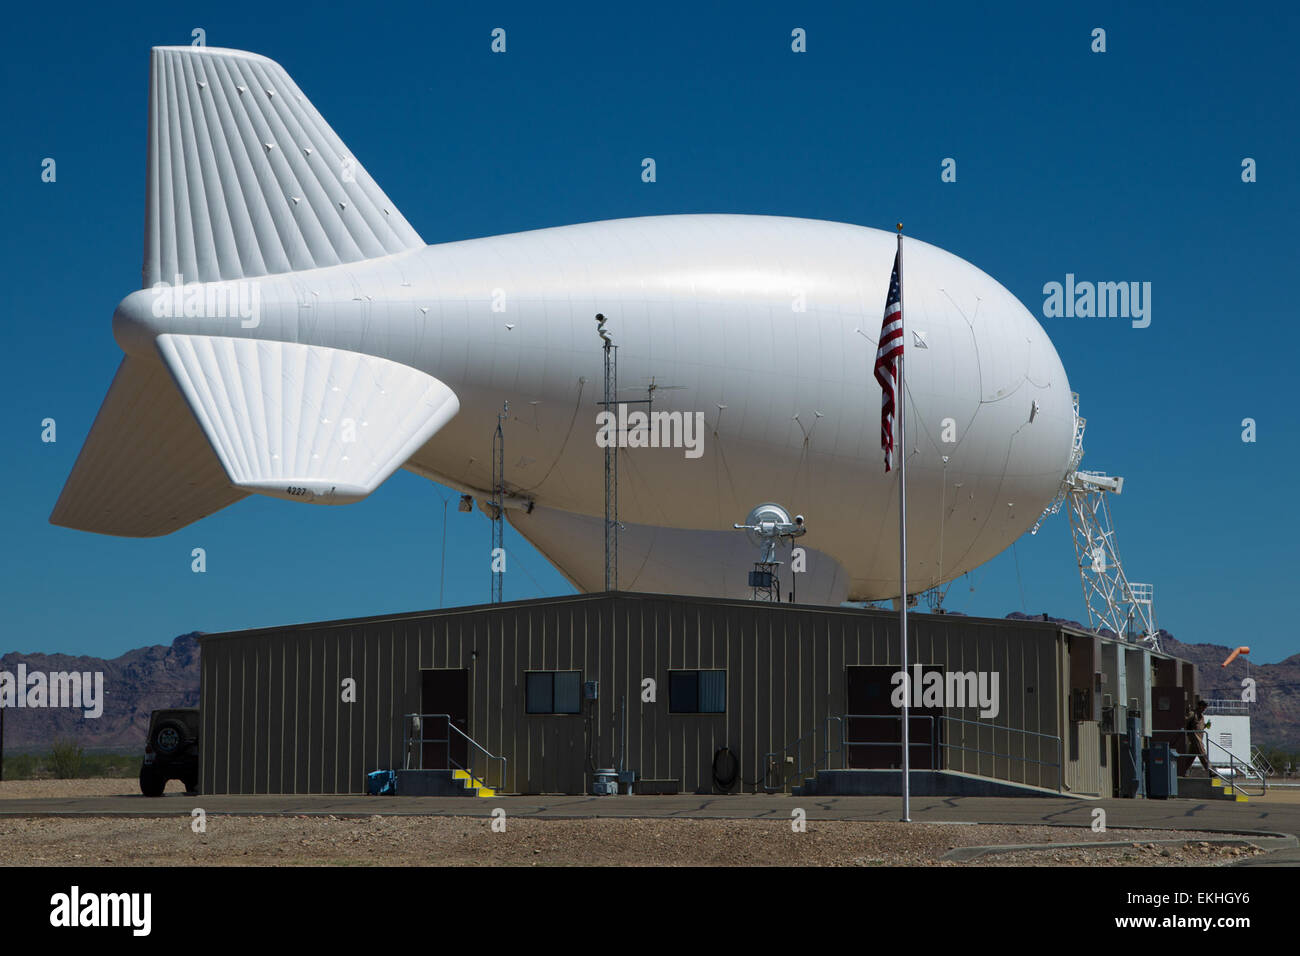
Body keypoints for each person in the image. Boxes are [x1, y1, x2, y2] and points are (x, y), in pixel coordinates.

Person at [1186, 700, 1213, 775]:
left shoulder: (1201, 716)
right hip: (1194, 737)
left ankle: (1182, 770)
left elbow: (1200, 726)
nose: (1204, 709)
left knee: (1190, 757)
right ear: (1199, 706)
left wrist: (1206, 725)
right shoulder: (1193, 714)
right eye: (1203, 707)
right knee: (1202, 752)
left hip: (1199, 737)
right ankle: (1210, 769)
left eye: (1205, 707)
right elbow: (1185, 721)